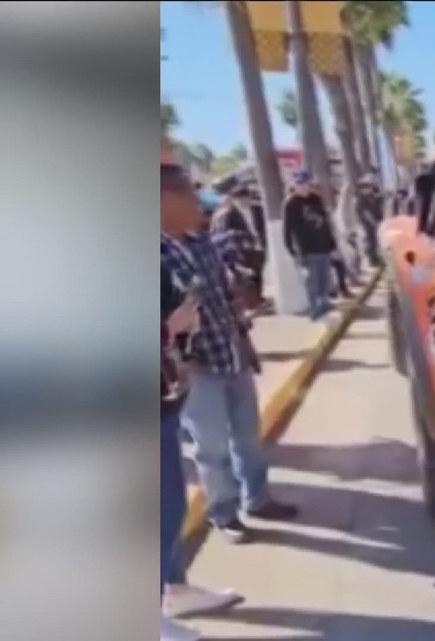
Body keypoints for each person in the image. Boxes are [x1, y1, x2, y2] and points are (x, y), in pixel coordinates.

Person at [162, 192, 299, 546]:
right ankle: (224, 513)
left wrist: (245, 341)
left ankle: (258, 498)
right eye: (189, 198)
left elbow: (227, 297)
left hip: (230, 355)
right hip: (195, 367)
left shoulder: (203, 244)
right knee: (212, 448)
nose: (199, 207)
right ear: (164, 203)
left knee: (248, 437)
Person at [161, 141, 243, 641]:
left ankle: (174, 588)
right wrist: (171, 327)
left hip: (164, 395)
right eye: (191, 195)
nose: (200, 205)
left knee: (169, 502)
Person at [284, 171, 338, 319]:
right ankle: (315, 308)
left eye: (305, 183)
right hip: (307, 249)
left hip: (323, 246)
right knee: (312, 281)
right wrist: (293, 251)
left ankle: (324, 304)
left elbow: (325, 224)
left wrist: (332, 245)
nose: (303, 187)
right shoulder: (291, 204)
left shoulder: (316, 199)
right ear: (294, 185)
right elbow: (288, 231)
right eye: (299, 184)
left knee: (324, 279)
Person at [210, 185, 267, 306]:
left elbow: (263, 225)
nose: (243, 202)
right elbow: (226, 232)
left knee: (259, 271)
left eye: (245, 198)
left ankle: (259, 297)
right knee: (248, 275)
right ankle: (252, 301)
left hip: (259, 245)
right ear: (234, 200)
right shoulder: (229, 214)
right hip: (242, 249)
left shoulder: (257, 209)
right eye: (239, 200)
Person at [356, 176, 383, 267]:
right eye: (368, 187)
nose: (371, 189)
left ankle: (375, 257)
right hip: (368, 225)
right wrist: (373, 222)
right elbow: (366, 213)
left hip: (374, 224)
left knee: (375, 241)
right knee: (371, 241)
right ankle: (373, 259)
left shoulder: (371, 197)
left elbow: (378, 206)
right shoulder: (362, 199)